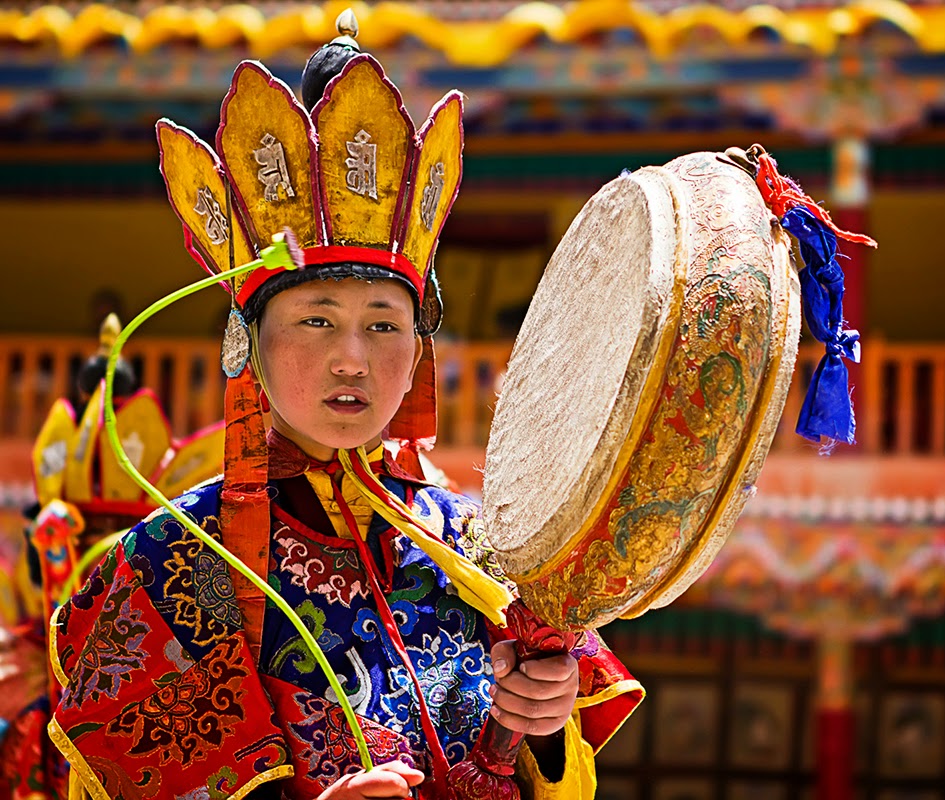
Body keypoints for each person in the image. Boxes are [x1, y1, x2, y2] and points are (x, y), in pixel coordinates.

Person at [48, 13, 642, 800]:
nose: (352, 358)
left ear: (418, 357)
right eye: (316, 319)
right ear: (248, 346)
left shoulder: (484, 554)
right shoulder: (170, 562)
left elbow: (550, 773)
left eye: (384, 325)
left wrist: (546, 719)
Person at [0, 314, 222, 799]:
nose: (95, 558)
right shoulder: (24, 695)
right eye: (81, 539)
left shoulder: (196, 664)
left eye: (116, 537)